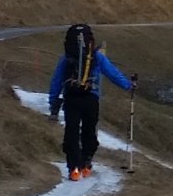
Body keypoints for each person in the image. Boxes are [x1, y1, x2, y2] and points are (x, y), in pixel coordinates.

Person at [48, 23, 134, 180]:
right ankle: (86, 162)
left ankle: (73, 168)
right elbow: (112, 73)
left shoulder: (66, 58)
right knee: (89, 130)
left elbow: (57, 80)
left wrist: (53, 100)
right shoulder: (97, 57)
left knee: (72, 131)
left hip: (71, 97)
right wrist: (128, 86)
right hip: (91, 97)